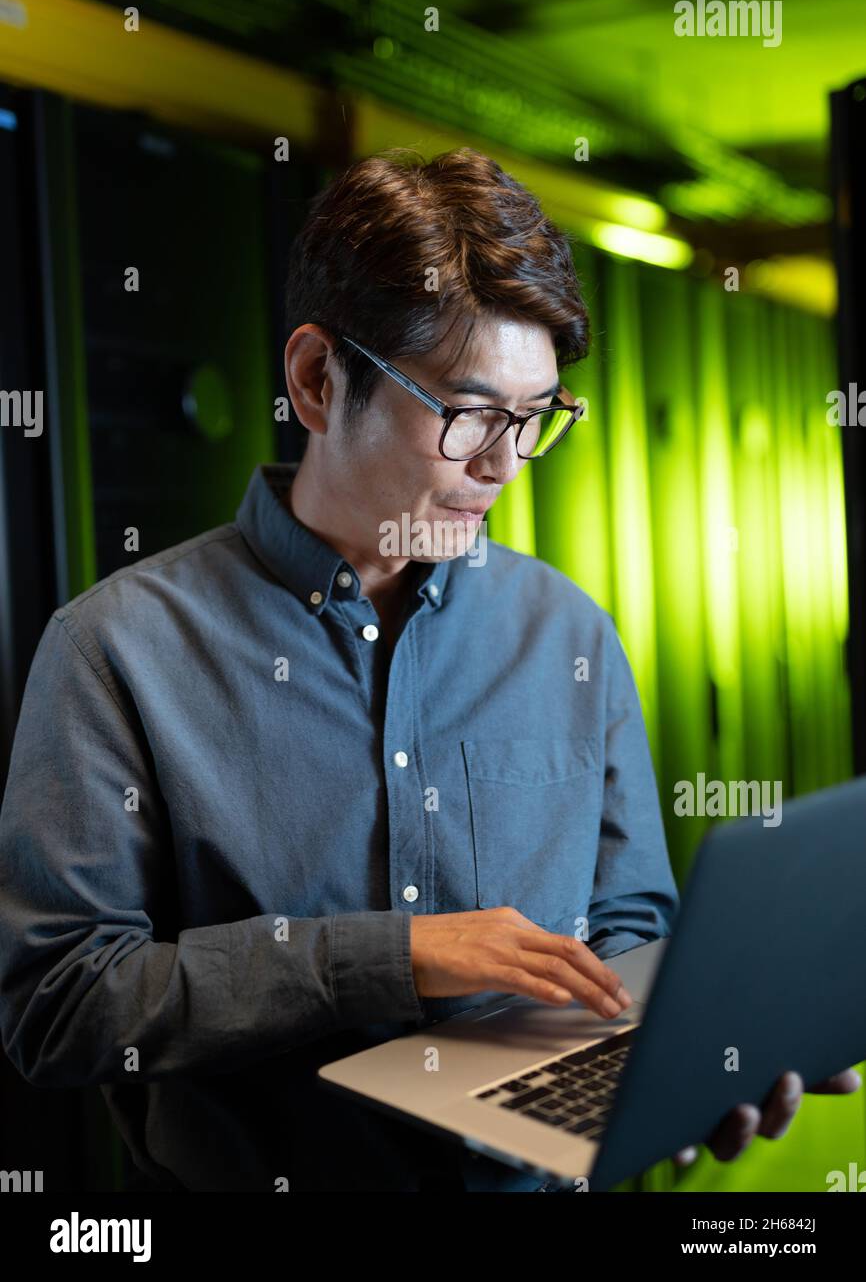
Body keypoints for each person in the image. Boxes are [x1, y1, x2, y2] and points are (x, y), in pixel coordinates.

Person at [0, 148, 857, 1193]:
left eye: (536, 415)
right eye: (468, 411)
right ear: (318, 380)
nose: (502, 463)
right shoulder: (115, 649)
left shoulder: (569, 633)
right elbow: (59, 1007)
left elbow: (629, 931)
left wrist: (683, 1064)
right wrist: (387, 957)